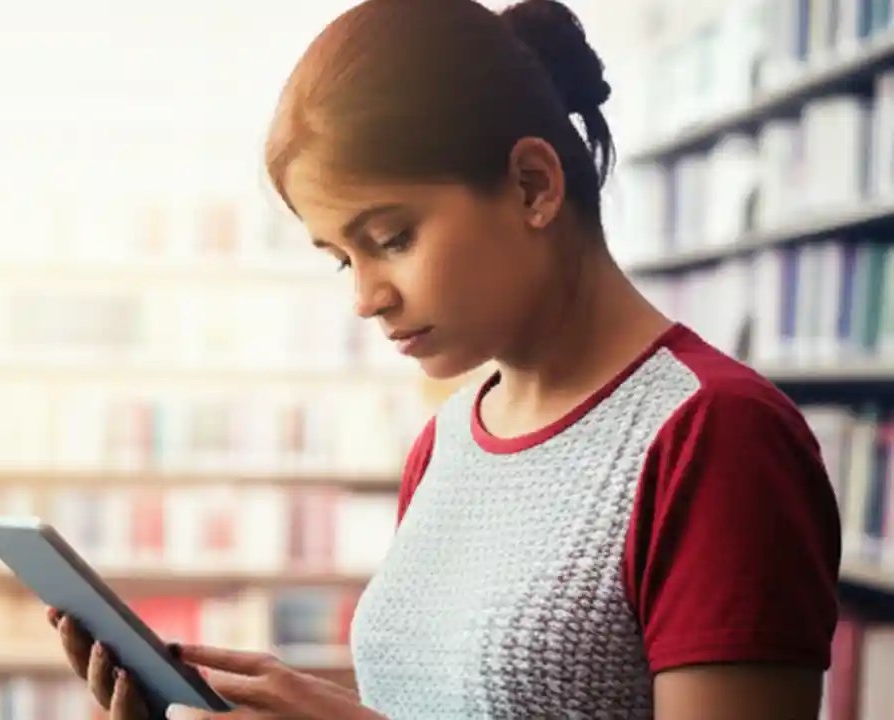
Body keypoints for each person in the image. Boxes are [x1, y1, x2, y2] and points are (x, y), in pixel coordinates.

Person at [46, 0, 842, 717]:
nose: (365, 296)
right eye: (339, 257)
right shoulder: (449, 441)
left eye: (390, 239)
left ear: (533, 185)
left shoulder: (717, 436)